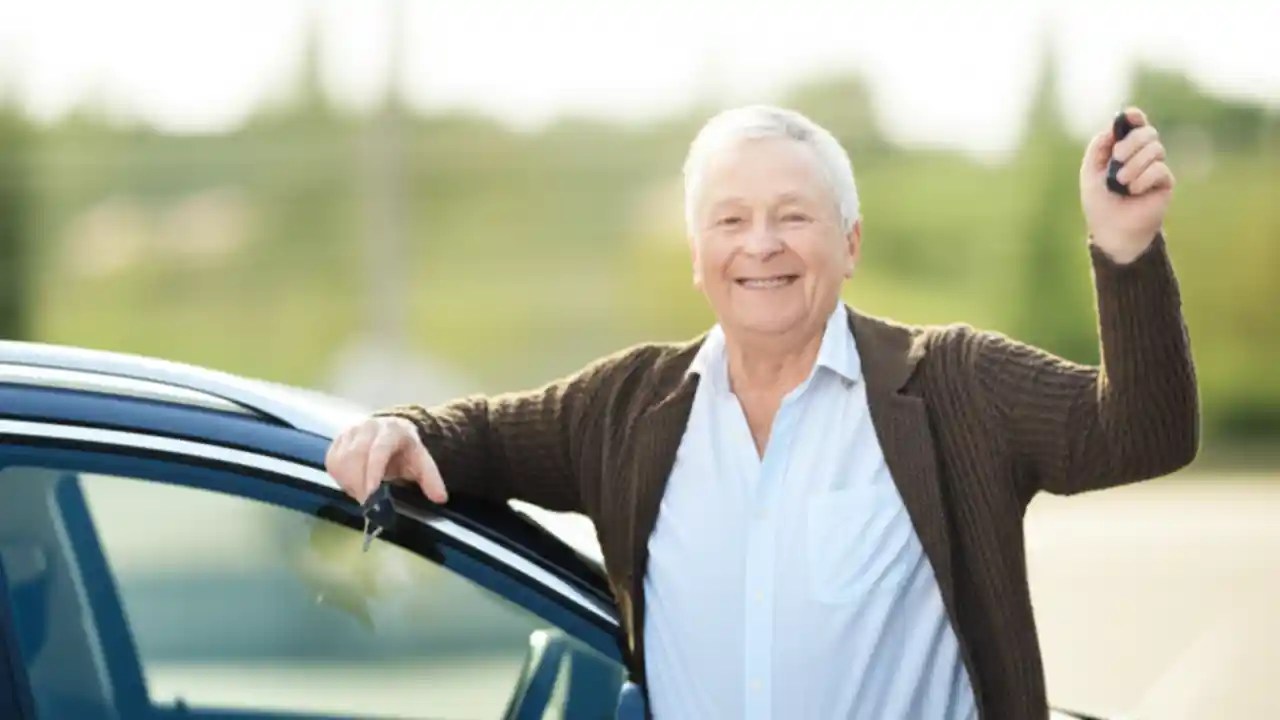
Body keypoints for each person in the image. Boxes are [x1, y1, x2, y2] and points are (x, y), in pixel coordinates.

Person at [325, 105, 1198, 719]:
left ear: (850, 243)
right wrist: (404, 428)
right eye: (731, 219)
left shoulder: (954, 385)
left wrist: (1126, 253)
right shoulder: (626, 409)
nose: (762, 245)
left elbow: (1142, 434)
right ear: (699, 255)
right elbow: (472, 438)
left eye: (794, 216)